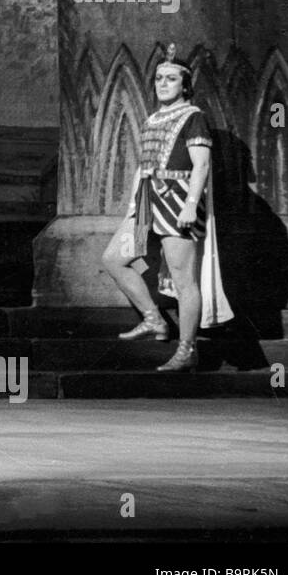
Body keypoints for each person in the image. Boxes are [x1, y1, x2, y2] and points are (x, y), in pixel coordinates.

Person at [101, 44, 233, 371]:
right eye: (159, 78)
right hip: (147, 199)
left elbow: (201, 165)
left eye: (170, 79)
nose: (162, 83)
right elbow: (142, 166)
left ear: (184, 85)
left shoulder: (194, 117)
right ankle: (153, 319)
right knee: (114, 259)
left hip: (178, 198)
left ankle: (187, 350)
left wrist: (190, 206)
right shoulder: (153, 118)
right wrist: (134, 205)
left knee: (183, 278)